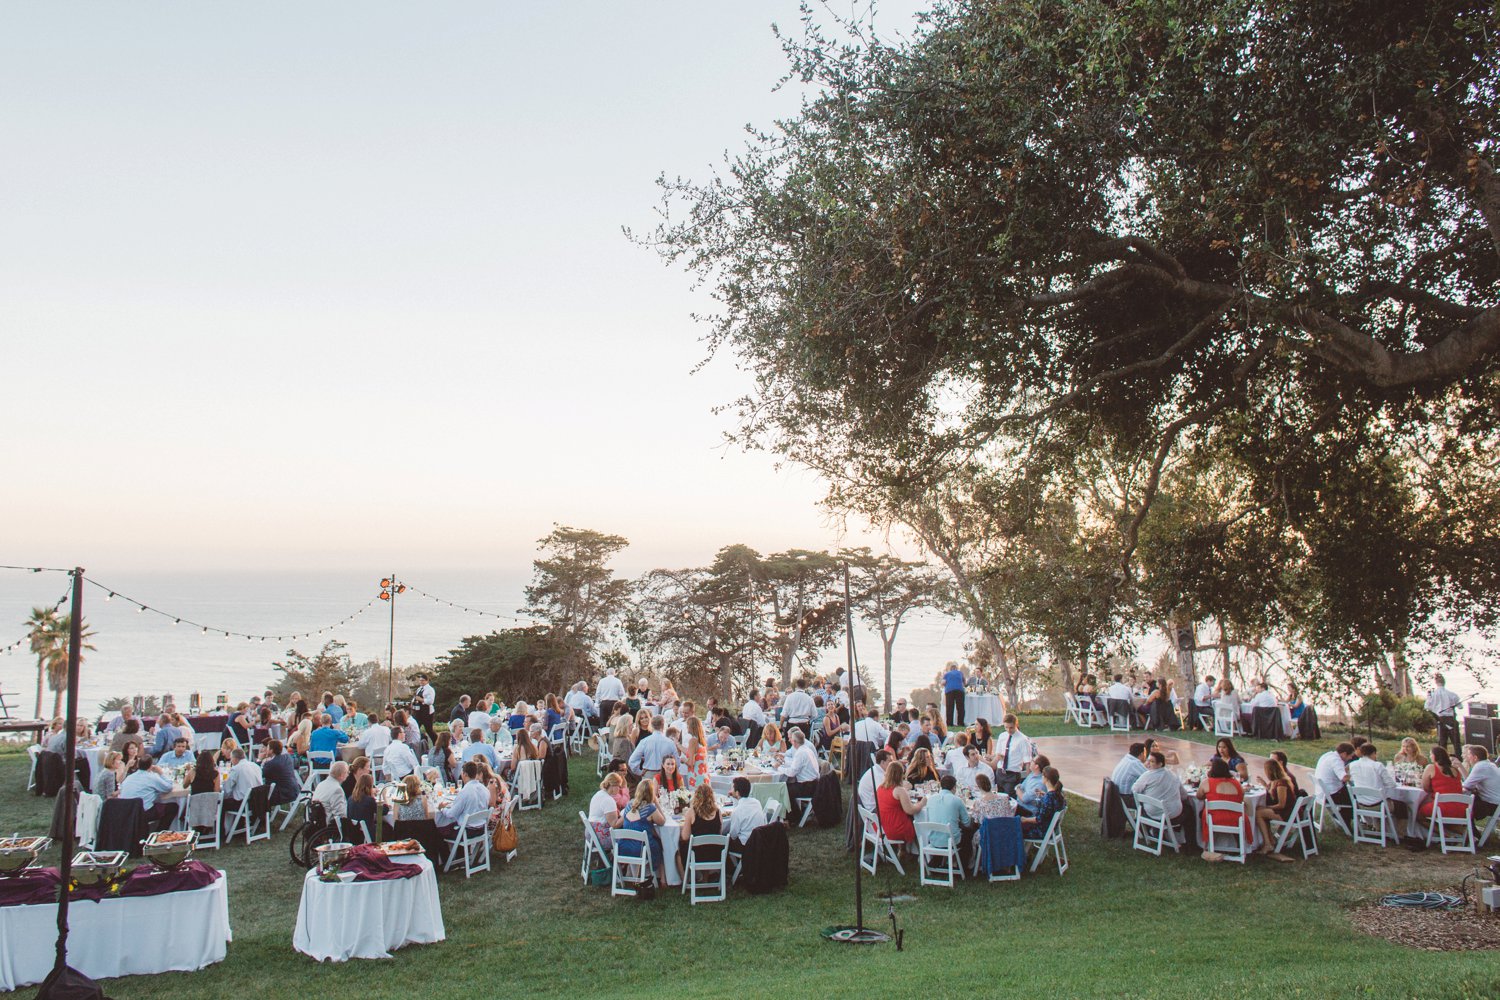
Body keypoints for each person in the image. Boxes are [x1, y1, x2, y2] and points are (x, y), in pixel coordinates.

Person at [613, 779, 668, 880]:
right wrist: (657, 803)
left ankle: (634, 875)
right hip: (640, 849)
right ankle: (662, 879)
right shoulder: (650, 808)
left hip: (624, 846)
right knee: (661, 843)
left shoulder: (630, 805)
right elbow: (663, 821)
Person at [1195, 758, 1248, 862]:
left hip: (1215, 819)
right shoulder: (1237, 783)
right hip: (1235, 819)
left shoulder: (1207, 782)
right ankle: (1239, 847)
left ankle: (1208, 844)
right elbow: (1240, 798)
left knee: (1201, 813)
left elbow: (1199, 796)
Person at [116, 754, 178, 829]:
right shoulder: (152, 777)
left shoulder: (129, 777)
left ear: (138, 765)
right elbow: (168, 787)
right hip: (143, 812)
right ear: (151, 766)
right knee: (173, 807)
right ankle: (159, 832)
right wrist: (161, 773)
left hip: (127, 811)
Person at [1252, 758, 1296, 861]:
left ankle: (1268, 844)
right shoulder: (1276, 781)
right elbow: (1273, 795)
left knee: (1259, 813)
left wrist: (1267, 807)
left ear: (1270, 771)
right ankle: (1270, 840)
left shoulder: (1281, 784)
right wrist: (1264, 784)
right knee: (1260, 811)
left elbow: (1281, 804)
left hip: (1287, 813)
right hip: (1287, 811)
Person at [437, 761, 492, 840]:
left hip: (466, 832)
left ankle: (448, 852)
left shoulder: (465, 791)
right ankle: (462, 852)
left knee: (438, 830)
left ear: (465, 774)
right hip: (482, 829)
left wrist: (442, 809)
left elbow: (451, 814)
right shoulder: (485, 789)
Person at [676, 781, 723, 870]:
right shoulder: (718, 812)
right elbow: (719, 833)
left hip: (697, 855)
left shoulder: (692, 812)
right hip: (715, 854)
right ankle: (705, 878)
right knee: (707, 847)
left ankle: (685, 881)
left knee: (677, 852)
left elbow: (685, 837)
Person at [875, 761, 921, 847]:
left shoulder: (880, 787)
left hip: (881, 826)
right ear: (900, 775)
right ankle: (920, 851)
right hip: (896, 828)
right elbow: (910, 810)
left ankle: (903, 850)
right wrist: (922, 803)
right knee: (917, 823)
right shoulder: (899, 790)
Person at [924, 773, 971, 855]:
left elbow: (928, 819)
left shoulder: (930, 799)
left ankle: (937, 861)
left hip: (934, 839)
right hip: (952, 841)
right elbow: (967, 823)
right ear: (954, 787)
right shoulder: (956, 800)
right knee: (969, 835)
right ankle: (963, 864)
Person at [1419, 746, 1468, 822]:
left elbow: (1425, 787)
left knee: (1417, 814)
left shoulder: (1431, 768)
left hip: (1442, 808)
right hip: (1462, 809)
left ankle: (1442, 832)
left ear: (1435, 756)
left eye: (1431, 754)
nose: (1430, 756)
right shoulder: (1455, 769)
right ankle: (1449, 831)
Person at [1131, 751, 1183, 820]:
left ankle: (1153, 829)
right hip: (1173, 814)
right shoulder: (1173, 774)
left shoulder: (1147, 775)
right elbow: (1184, 795)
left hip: (1154, 814)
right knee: (1188, 808)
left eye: (1152, 762)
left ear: (1160, 764)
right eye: (1148, 760)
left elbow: (1134, 790)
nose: (1148, 763)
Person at [1314, 742, 1356, 828]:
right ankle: (1345, 821)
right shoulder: (1337, 761)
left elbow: (1337, 771)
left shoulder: (1328, 755)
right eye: (1350, 756)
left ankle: (1342, 817)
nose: (1351, 758)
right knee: (1354, 798)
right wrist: (1356, 776)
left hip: (1320, 793)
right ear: (1344, 754)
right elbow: (1344, 778)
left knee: (1347, 792)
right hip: (1330, 795)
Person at [628, 715, 681, 781]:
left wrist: (638, 772)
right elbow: (677, 762)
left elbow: (632, 760)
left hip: (649, 774)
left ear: (651, 725)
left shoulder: (644, 741)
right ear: (663, 725)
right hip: (664, 774)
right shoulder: (670, 742)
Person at [991, 714, 1033, 794]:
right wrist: (999, 757)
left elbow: (1028, 762)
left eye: (1011, 727)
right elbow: (998, 754)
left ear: (1016, 725)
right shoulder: (1002, 736)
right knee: (1000, 798)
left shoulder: (1023, 739)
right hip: (1000, 773)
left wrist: (1028, 781)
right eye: (1006, 727)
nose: (1008, 730)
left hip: (1012, 775)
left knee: (1009, 799)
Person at [1461, 745, 1500, 832]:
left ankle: (1471, 834)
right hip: (1495, 803)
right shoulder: (1490, 764)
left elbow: (1466, 786)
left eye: (1468, 754)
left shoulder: (1480, 766)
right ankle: (1470, 831)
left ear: (1475, 757)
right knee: (1469, 800)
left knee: (1463, 806)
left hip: (1494, 805)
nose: (1467, 757)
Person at [1020, 766, 1065, 840]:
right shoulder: (1059, 796)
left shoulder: (1048, 799)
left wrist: (1025, 819)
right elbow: (1052, 805)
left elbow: (1039, 819)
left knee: (1014, 828)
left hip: (1041, 832)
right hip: (1051, 831)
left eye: (1043, 775)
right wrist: (1045, 795)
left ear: (1046, 779)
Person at [725, 776, 769, 847]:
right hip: (759, 840)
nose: (731, 790)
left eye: (732, 788)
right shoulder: (756, 802)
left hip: (746, 845)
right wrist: (734, 797)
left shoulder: (737, 811)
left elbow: (733, 835)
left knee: (725, 838)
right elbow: (741, 804)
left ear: (737, 793)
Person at [1426, 674, 1464, 757]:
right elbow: (1460, 707)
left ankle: (1442, 758)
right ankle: (1459, 758)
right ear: (1444, 682)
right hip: (1450, 719)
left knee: (1442, 742)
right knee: (1456, 741)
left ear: (1435, 682)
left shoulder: (1432, 694)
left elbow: (1427, 707)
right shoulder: (1452, 694)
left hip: (1439, 719)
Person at [588, 772, 627, 850]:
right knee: (630, 841)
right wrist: (626, 814)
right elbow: (614, 825)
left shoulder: (599, 794)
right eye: (618, 786)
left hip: (590, 833)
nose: (619, 789)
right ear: (613, 785)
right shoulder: (608, 800)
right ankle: (620, 860)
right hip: (601, 837)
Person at [221, 748, 264, 816]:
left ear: (235, 758)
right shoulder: (255, 765)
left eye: (231, 758)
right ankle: (238, 823)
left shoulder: (236, 769)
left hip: (244, 804)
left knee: (220, 803)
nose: (231, 761)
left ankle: (221, 826)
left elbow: (226, 789)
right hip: (258, 801)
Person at [260, 738, 302, 807]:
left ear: (271, 750)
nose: (265, 750)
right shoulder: (287, 757)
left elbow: (260, 774)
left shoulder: (272, 764)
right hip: (294, 790)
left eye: (267, 748)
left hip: (284, 794)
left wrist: (259, 760)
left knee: (257, 794)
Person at [942, 660, 966, 728]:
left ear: (950, 668)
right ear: (956, 668)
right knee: (960, 708)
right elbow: (964, 681)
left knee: (950, 707)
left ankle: (949, 723)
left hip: (950, 691)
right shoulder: (960, 673)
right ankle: (960, 723)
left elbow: (943, 682)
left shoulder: (947, 674)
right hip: (959, 690)